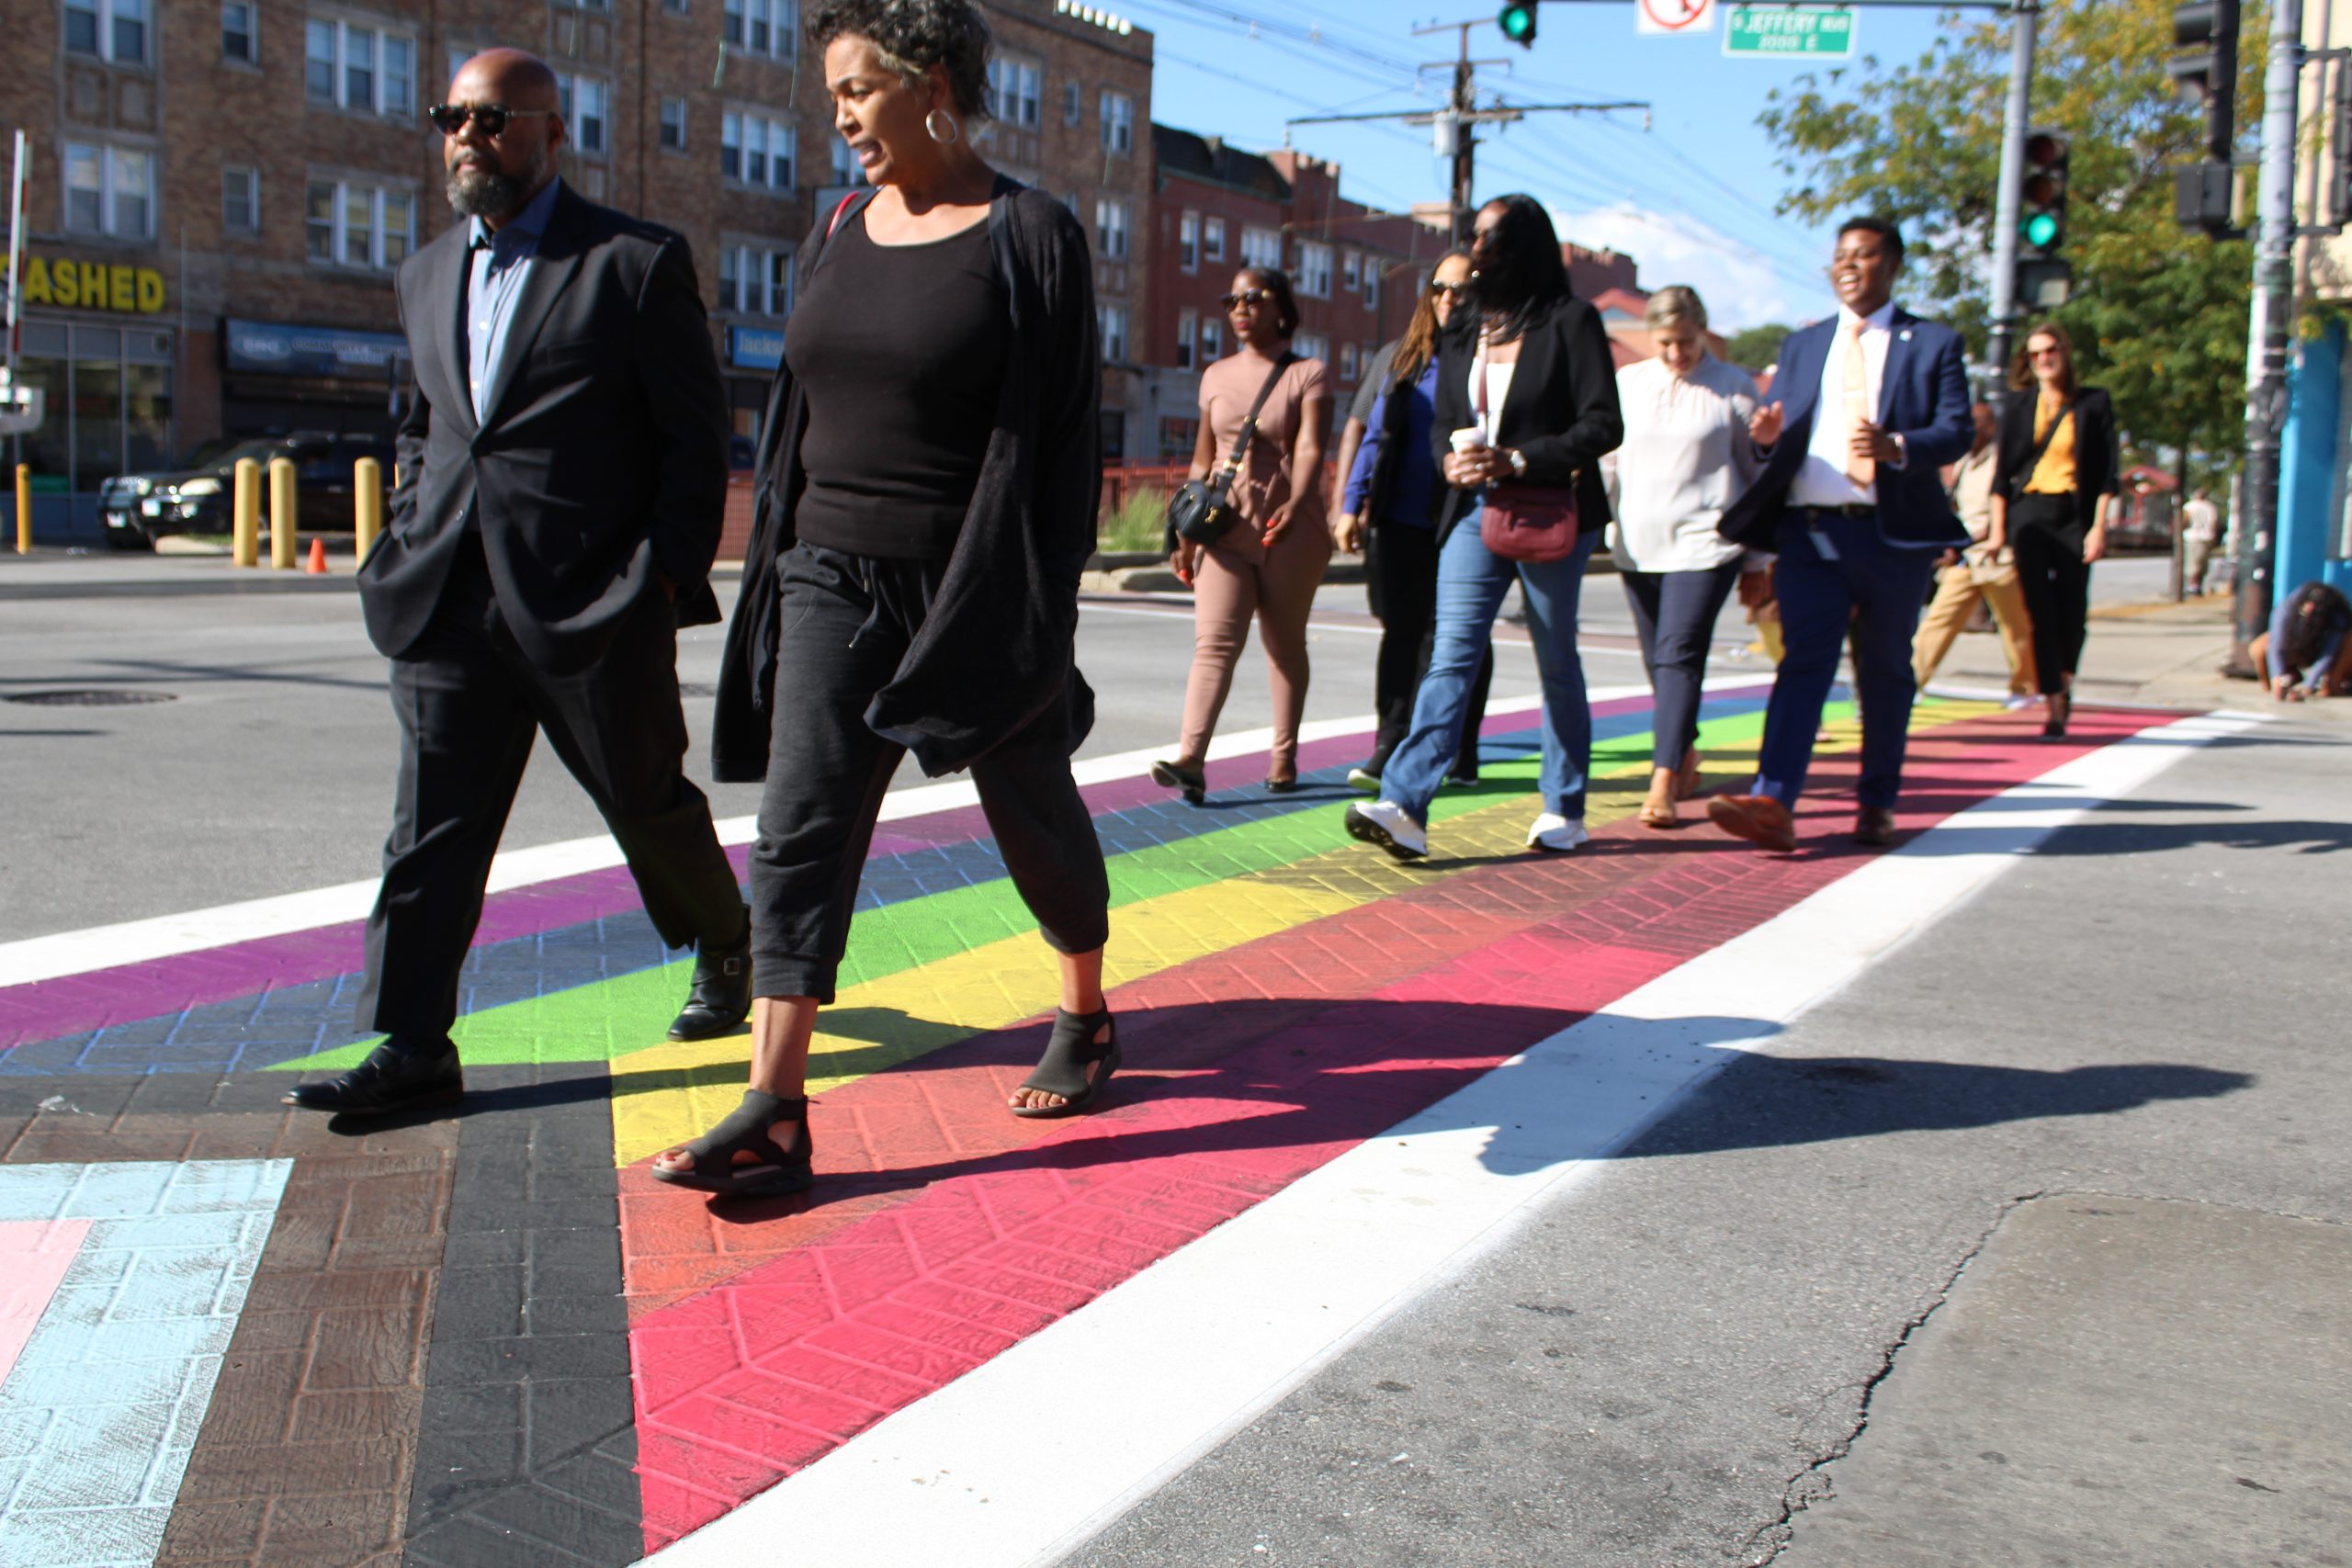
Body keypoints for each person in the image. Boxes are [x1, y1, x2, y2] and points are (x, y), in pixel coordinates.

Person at [681, 0, 1112, 1197]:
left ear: (929, 83)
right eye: (832, 95)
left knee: (1031, 810)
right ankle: (775, 1104)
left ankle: (1085, 1009)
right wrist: (773, 565)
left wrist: (1039, 608)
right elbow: (799, 414)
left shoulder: (1031, 233)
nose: (839, 117)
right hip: (830, 569)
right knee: (801, 826)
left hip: (975, 581)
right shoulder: (835, 226)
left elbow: (1060, 445)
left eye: (857, 90)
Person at [284, 50, 746, 1117]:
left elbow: (694, 439)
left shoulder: (631, 262)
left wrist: (659, 580)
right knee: (430, 826)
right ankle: (413, 1040)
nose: (466, 136)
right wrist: (406, 530)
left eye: (491, 119)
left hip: (592, 602)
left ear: (551, 131)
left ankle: (727, 939)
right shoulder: (424, 274)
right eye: (451, 117)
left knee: (645, 801)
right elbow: (424, 428)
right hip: (447, 594)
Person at [1343, 194, 1623, 861]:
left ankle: (1564, 807)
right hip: (1473, 509)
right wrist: (1449, 458)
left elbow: (1602, 423)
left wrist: (1518, 458)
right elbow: (1444, 419)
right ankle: (1405, 805)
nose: (1477, 248)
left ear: (1525, 246)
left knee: (1556, 657)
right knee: (1451, 654)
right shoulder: (1467, 325)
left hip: (1550, 508)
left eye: (1491, 238)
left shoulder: (1570, 321)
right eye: (1475, 235)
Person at [1706, 217, 1973, 853]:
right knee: (1803, 663)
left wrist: (1898, 445)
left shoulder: (1933, 342)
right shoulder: (1803, 345)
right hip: (1811, 532)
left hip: (1891, 538)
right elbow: (1781, 432)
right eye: (1841, 255)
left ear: (1893, 266)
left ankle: (1877, 802)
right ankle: (1773, 801)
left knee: (1885, 672)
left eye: (1865, 254)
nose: (1849, 265)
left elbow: (1957, 429)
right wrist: (1765, 440)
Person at [1153, 268, 1332, 801]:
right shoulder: (1214, 376)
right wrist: (1182, 529)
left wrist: (1298, 501)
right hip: (1223, 526)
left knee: (1284, 645)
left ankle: (1283, 757)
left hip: (1286, 529)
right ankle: (1191, 758)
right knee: (1214, 644)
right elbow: (1203, 459)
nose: (1240, 308)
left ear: (1281, 307)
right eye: (1232, 299)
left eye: (1253, 298)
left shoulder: (1308, 373)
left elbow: (1310, 447)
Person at [1605, 285, 1763, 829]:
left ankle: (1664, 778)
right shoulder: (1628, 383)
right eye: (1666, 342)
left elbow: (1756, 475)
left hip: (1706, 542)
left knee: (1677, 657)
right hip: (1637, 543)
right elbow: (1608, 462)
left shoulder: (1734, 387)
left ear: (1703, 332)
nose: (1677, 353)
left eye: (1687, 341)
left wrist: (1759, 562)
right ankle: (1685, 750)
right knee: (1660, 664)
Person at [1337, 249, 1493, 793]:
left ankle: (1461, 748)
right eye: (1440, 288)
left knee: (1458, 635)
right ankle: (1391, 740)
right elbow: (1369, 435)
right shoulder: (1399, 356)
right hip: (1399, 518)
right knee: (1402, 632)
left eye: (1462, 289)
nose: (1450, 299)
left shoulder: (1488, 358)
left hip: (1463, 517)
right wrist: (1349, 504)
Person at [1988, 321, 2119, 739]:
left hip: (2074, 515)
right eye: (2035, 353)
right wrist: (1997, 532)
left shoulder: (2094, 402)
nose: (2043, 359)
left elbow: (2108, 474)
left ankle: (2065, 678)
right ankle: (2053, 700)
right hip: (2029, 513)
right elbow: (2001, 476)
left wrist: (2098, 528)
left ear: (2064, 352)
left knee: (2072, 611)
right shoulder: (2019, 405)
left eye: (2050, 350)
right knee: (2039, 613)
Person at [1912, 400, 2039, 705]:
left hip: (1998, 557)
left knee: (2015, 627)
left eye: (1976, 425)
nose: (1970, 431)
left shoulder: (2002, 461)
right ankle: (1911, 681)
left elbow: (2008, 505)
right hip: (1966, 559)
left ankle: (2024, 688)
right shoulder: (1963, 462)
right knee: (1938, 621)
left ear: (1990, 427)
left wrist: (1988, 535)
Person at [2255, 581, 2352, 699]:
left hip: (2319, 653)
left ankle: (2331, 685)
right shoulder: (2286, 607)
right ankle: (2279, 684)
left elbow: (2328, 654)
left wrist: (2309, 685)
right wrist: (2277, 677)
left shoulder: (2337, 615)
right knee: (2258, 647)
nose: (2309, 610)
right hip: (2294, 649)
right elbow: (2276, 647)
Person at [2182, 487, 2222, 596]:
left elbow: (2185, 521)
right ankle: (2198, 586)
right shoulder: (2210, 507)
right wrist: (2214, 538)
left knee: (2192, 564)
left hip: (2192, 537)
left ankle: (2192, 587)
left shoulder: (2189, 506)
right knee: (2202, 564)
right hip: (2206, 537)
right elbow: (2214, 523)